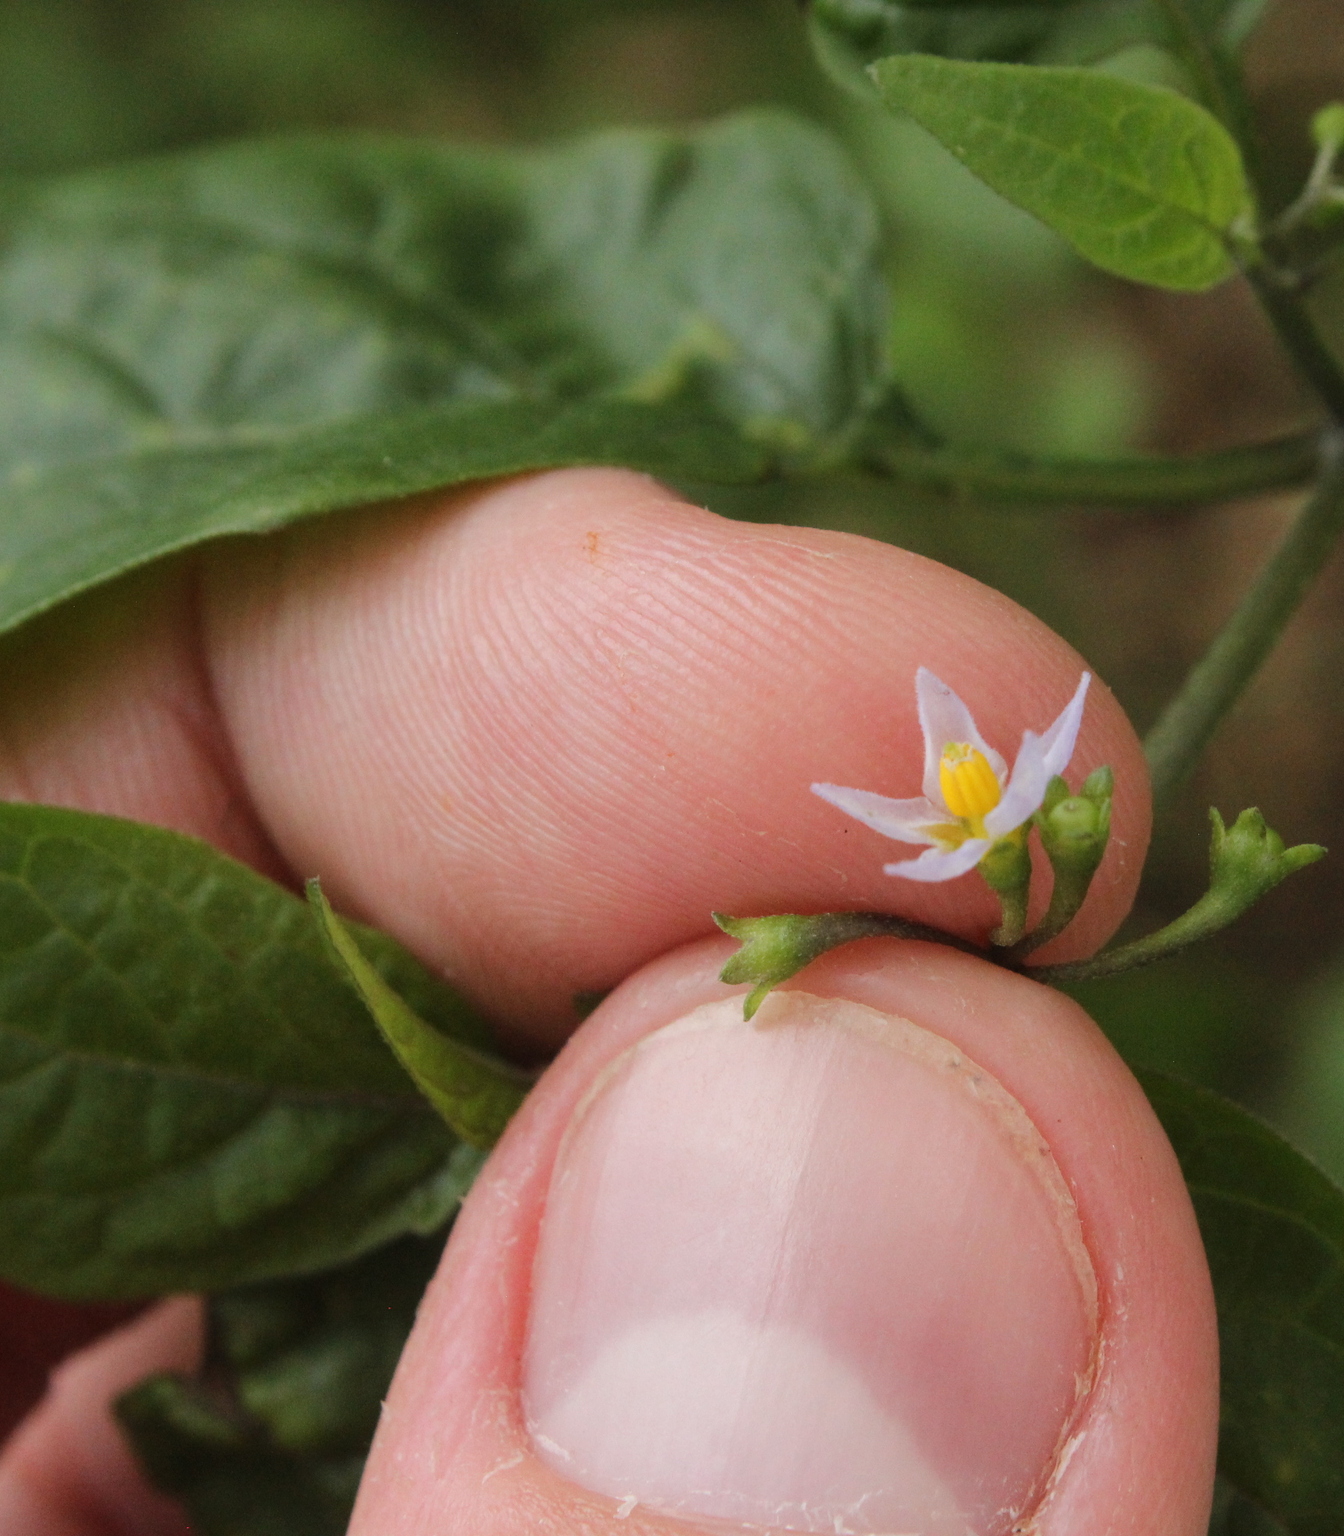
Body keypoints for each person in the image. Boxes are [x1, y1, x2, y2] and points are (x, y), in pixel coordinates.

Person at [0, 469, 1218, 1536]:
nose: (968, 785)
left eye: (984, 801)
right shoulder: (940, 827)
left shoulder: (970, 825)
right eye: (974, 806)